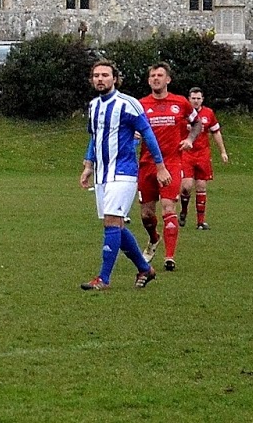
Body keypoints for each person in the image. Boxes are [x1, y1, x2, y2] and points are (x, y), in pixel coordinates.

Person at [78, 60, 169, 291]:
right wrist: (88, 166)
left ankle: (104, 279)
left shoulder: (129, 104)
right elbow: (94, 137)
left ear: (115, 79)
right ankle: (145, 268)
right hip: (102, 174)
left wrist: (160, 166)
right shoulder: (93, 106)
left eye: (105, 75)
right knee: (115, 225)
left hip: (124, 172)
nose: (100, 79)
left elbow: (147, 133)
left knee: (111, 222)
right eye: (96, 75)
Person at [137, 63, 195, 271]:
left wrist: (189, 138)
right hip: (146, 164)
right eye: (152, 75)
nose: (155, 78)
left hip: (171, 162)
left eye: (160, 75)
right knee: (146, 215)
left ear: (168, 80)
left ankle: (169, 257)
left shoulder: (180, 103)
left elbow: (197, 123)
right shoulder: (141, 104)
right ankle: (154, 239)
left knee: (168, 208)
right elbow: (131, 128)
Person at [180, 87, 229, 229]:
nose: (195, 101)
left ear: (202, 99)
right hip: (186, 153)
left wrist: (223, 152)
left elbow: (216, 132)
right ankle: (183, 211)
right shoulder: (183, 113)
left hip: (202, 154)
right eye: (193, 98)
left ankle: (200, 222)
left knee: (201, 186)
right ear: (189, 99)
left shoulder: (208, 113)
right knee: (186, 186)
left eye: (198, 98)